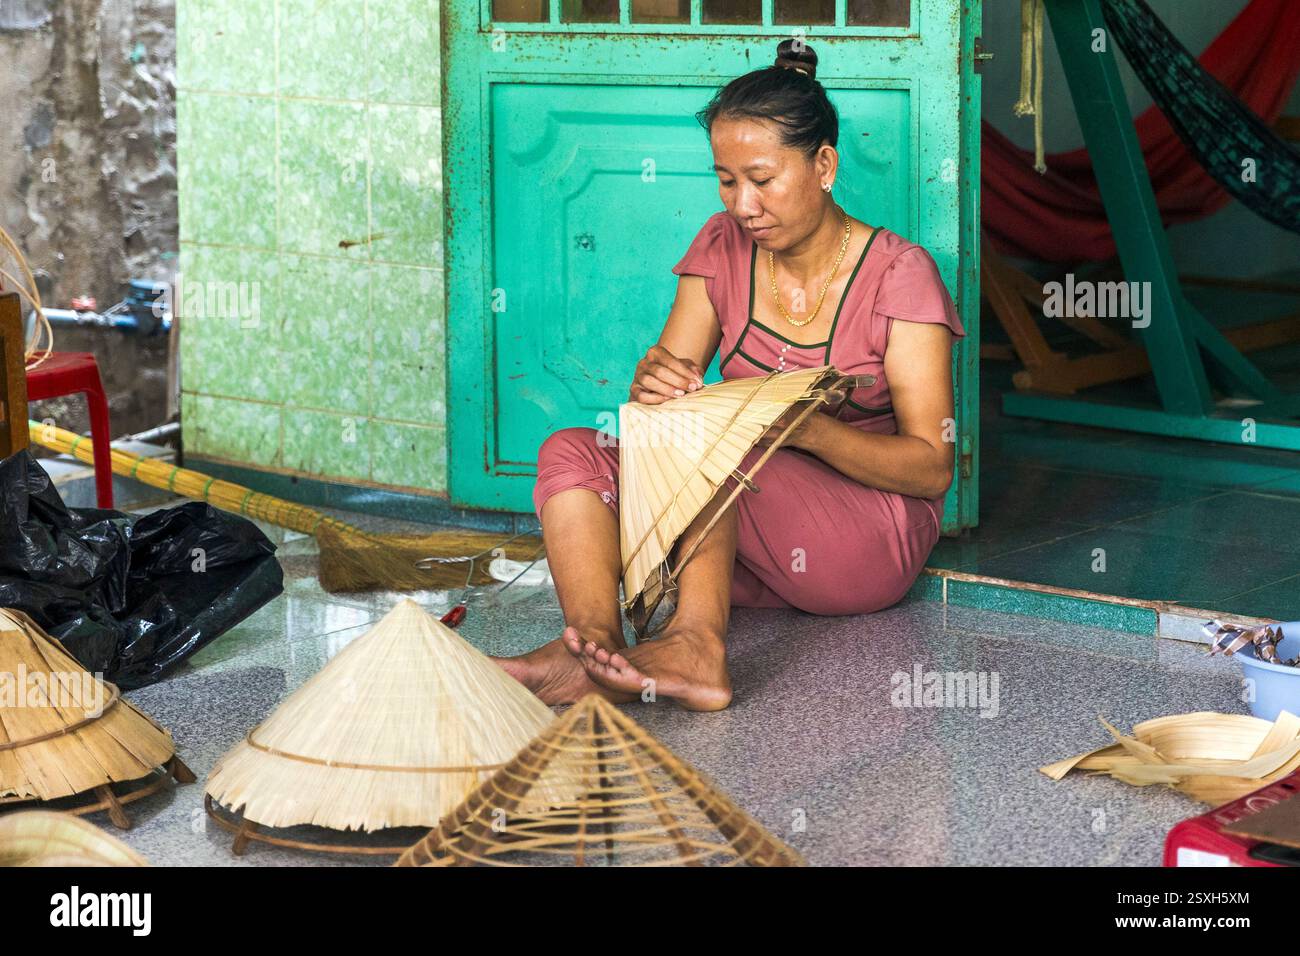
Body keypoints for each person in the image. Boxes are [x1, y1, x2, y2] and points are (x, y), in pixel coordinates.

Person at [495, 38, 966, 712]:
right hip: (751, 544)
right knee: (571, 450)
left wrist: (804, 433)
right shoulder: (722, 245)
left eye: (763, 178)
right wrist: (655, 385)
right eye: (726, 179)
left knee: (725, 443)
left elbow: (931, 469)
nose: (743, 204)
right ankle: (592, 646)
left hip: (863, 542)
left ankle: (695, 645)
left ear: (824, 165)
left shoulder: (899, 275)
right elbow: (666, 406)